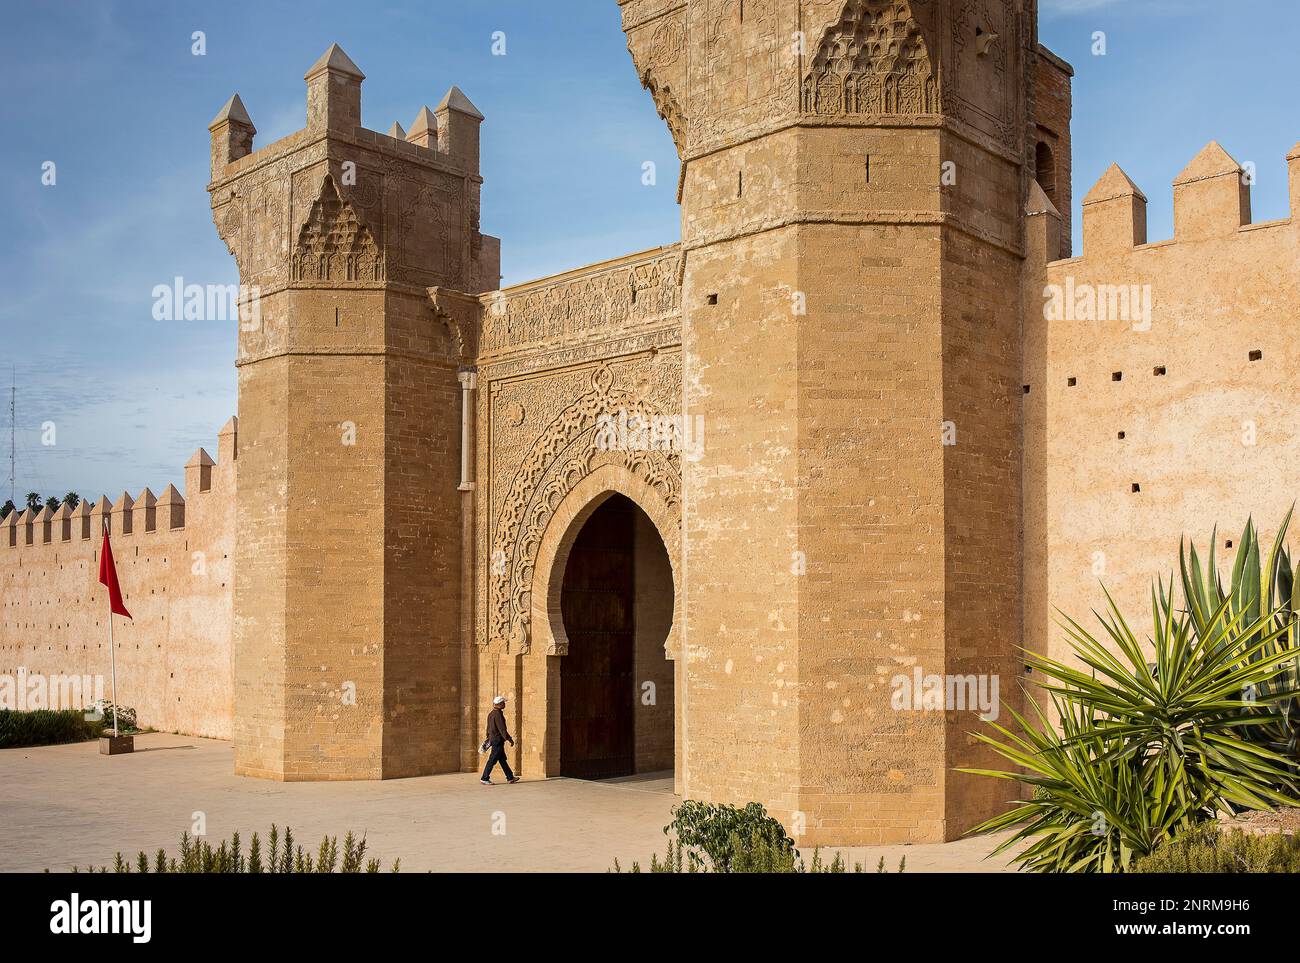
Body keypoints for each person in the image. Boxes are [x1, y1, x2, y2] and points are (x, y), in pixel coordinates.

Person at [481, 695, 520, 785]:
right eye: (503, 703)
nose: (504, 704)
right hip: (497, 740)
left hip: (493, 739)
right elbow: (502, 729)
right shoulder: (498, 714)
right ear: (499, 704)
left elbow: (488, 728)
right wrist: (509, 739)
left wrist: (488, 737)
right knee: (492, 759)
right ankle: (484, 778)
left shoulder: (491, 713)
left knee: (502, 759)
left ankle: (510, 777)